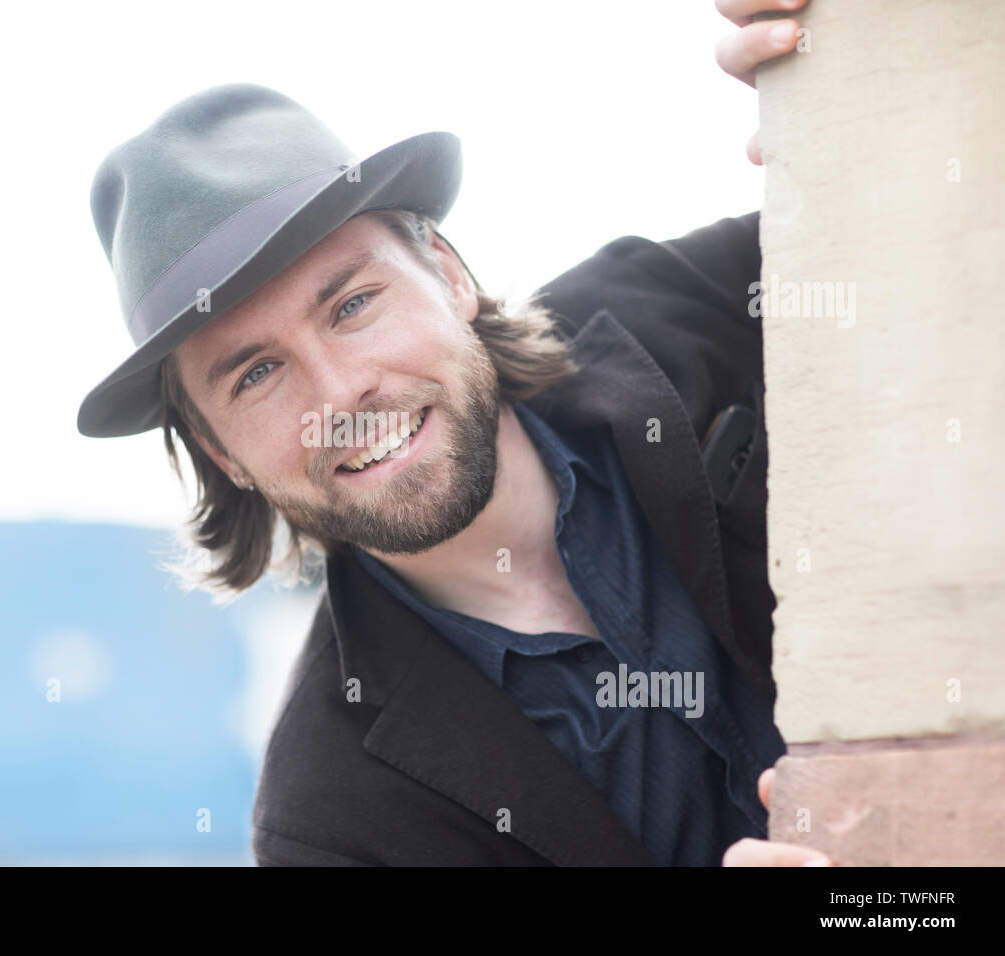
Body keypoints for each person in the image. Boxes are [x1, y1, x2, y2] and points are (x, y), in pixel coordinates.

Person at [77, 0, 833, 865]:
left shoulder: (681, 308)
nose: (339, 394)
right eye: (257, 374)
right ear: (221, 453)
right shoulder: (334, 826)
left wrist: (864, 84)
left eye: (352, 305)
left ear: (445, 271)